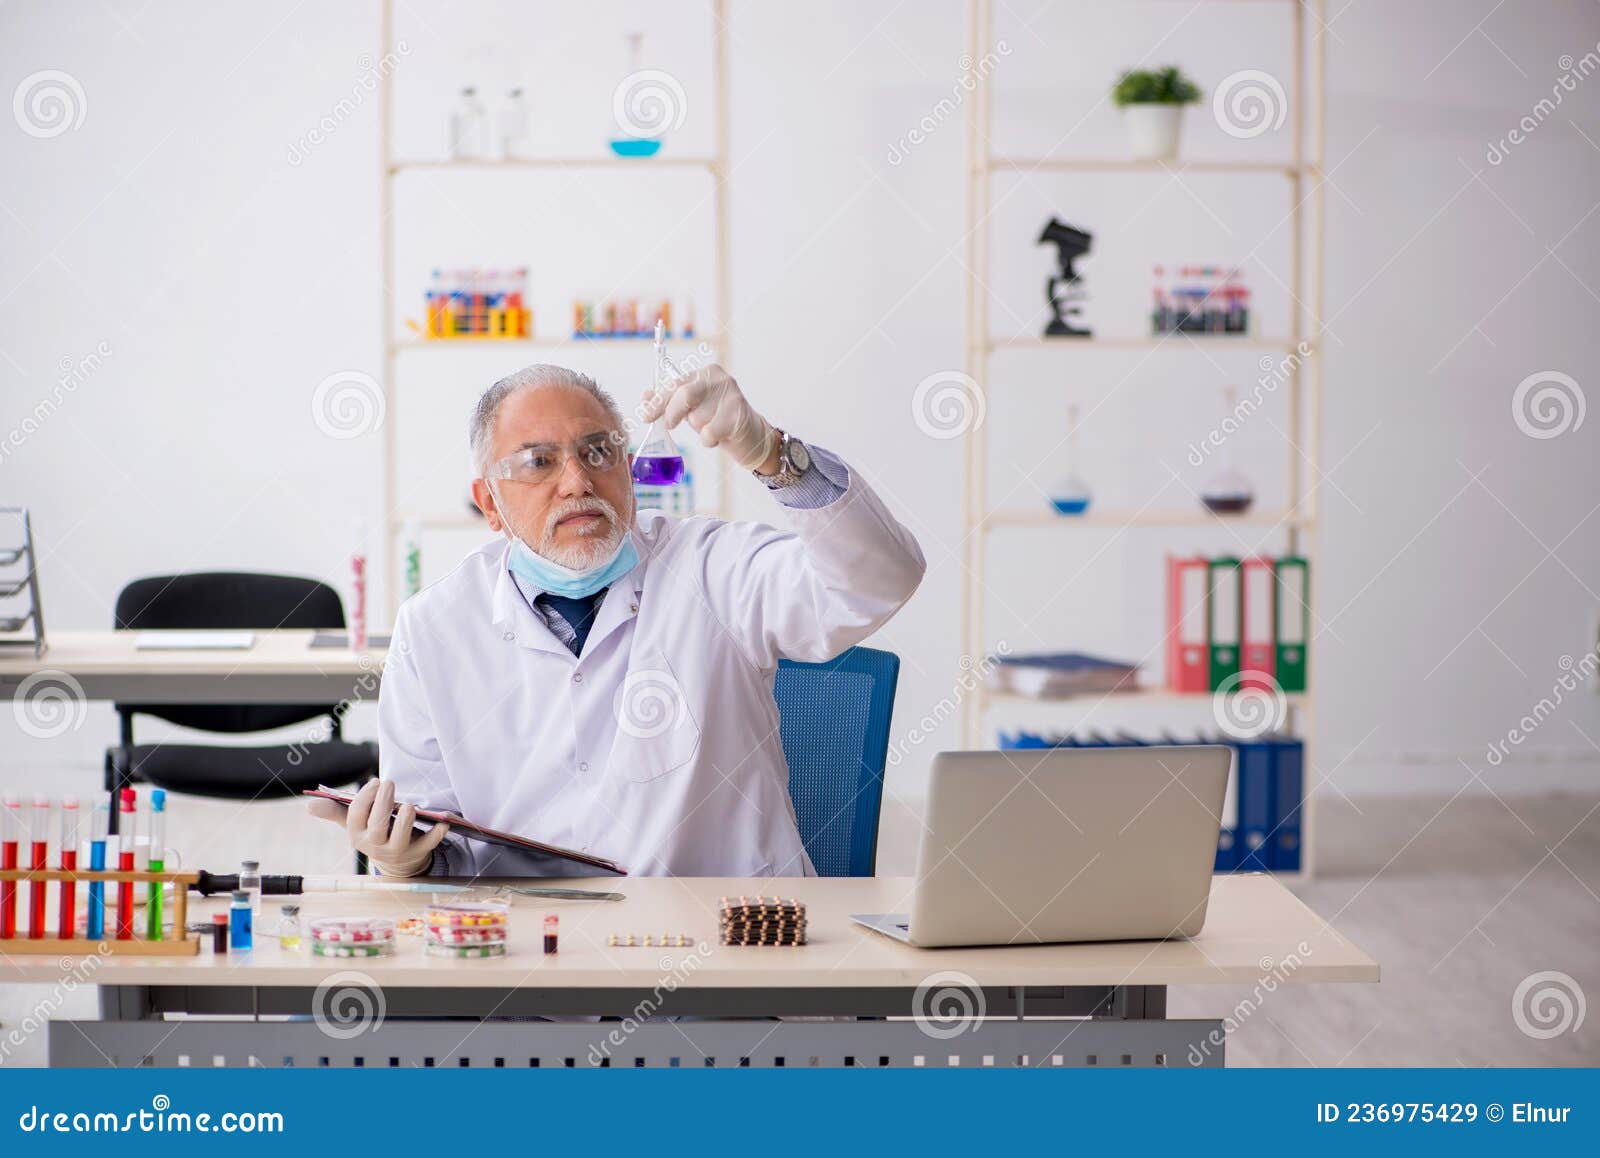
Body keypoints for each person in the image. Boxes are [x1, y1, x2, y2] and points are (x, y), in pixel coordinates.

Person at [308, 362, 925, 877]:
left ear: (628, 469)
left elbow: (877, 581)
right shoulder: (434, 627)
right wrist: (404, 859)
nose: (578, 481)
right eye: (539, 462)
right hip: (532, 957)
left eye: (598, 452)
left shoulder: (714, 568)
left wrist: (774, 455)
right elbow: (431, 838)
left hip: (729, 949)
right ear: (489, 504)